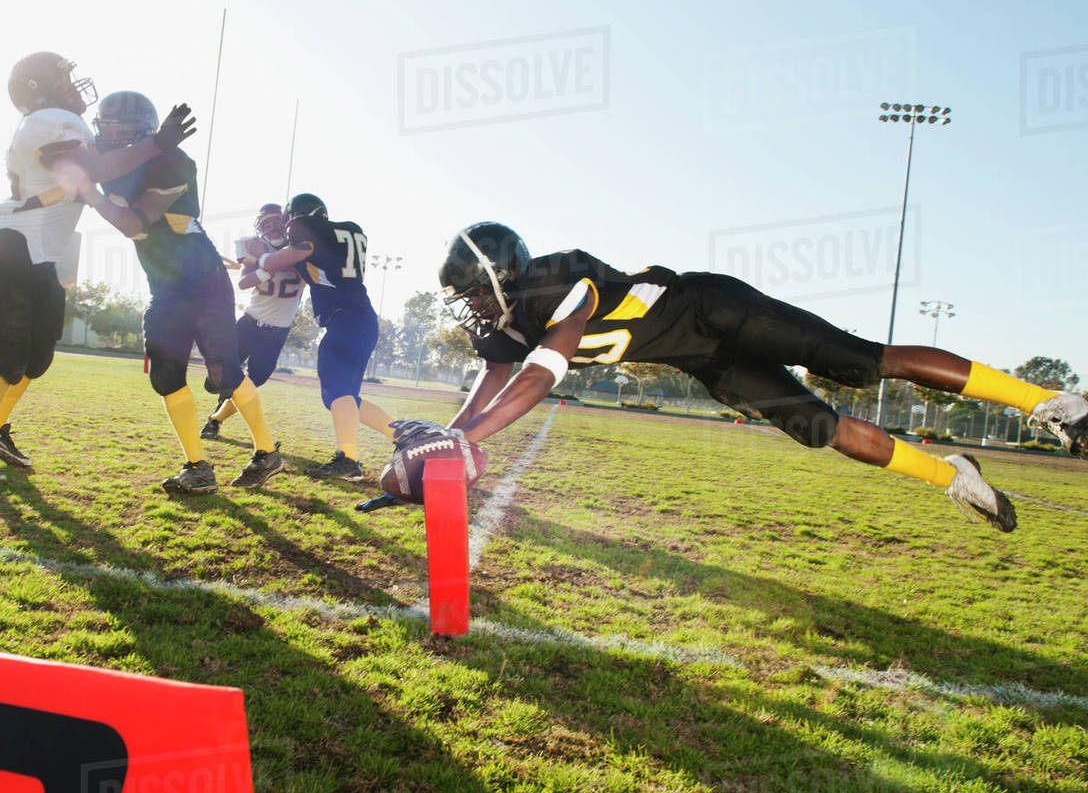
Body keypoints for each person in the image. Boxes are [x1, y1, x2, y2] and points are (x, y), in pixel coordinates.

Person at [391, 221, 1088, 532]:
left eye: (475, 294)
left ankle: (1052, 402)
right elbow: (493, 379)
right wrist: (440, 443)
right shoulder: (506, 320)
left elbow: (544, 371)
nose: (473, 309)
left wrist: (469, 438)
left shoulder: (555, 279)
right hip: (705, 359)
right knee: (822, 429)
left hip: (717, 311)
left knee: (857, 361)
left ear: (505, 273)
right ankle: (954, 475)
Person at [0, 52, 196, 483]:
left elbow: (107, 163)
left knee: (38, 358)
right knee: (7, 357)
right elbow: (91, 170)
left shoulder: (69, 123)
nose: (74, 85)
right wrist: (157, 144)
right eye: (63, 78)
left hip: (40, 254)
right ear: (39, 88)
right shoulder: (46, 120)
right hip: (9, 244)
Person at [84, 91, 284, 495]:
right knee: (166, 373)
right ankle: (197, 465)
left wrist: (86, 191)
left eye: (113, 124)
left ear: (136, 130)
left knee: (224, 371)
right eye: (102, 123)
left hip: (202, 280)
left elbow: (132, 223)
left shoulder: (173, 161)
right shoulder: (111, 160)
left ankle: (266, 452)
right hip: (165, 287)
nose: (104, 131)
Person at [257, 193, 395, 480]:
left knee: (339, 393)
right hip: (358, 320)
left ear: (297, 216)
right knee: (341, 396)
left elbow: (281, 259)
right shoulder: (341, 233)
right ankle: (404, 435)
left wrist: (262, 260)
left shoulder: (307, 232)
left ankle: (348, 460)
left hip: (346, 319)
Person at [199, 203, 304, 441]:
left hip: (277, 331)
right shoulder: (253, 245)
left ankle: (215, 420)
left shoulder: (300, 247)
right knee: (225, 376)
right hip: (250, 323)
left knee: (253, 381)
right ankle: (218, 406)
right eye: (265, 223)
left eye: (276, 222)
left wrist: (266, 259)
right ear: (259, 228)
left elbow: (286, 262)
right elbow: (244, 282)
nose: (272, 228)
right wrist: (266, 268)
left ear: (286, 222)